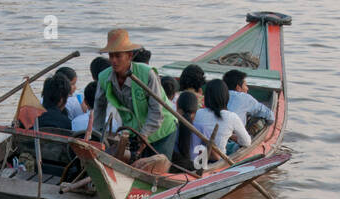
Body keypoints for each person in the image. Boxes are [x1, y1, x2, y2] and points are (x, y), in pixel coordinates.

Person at [94, 29, 177, 160]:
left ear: (129, 56)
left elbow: (157, 110)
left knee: (157, 169)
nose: (114, 61)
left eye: (118, 56)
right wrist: (98, 136)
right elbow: (99, 109)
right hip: (134, 132)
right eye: (111, 56)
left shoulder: (146, 74)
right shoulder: (104, 77)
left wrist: (144, 134)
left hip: (162, 130)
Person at [193, 78, 251, 157]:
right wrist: (233, 137)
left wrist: (229, 135)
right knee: (234, 146)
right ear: (226, 97)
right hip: (219, 158)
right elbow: (247, 142)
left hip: (199, 156)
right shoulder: (232, 116)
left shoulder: (199, 113)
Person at [171, 89, 206, 172]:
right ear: (196, 110)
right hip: (193, 170)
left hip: (173, 169)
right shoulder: (201, 128)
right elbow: (213, 156)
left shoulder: (171, 127)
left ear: (177, 108)